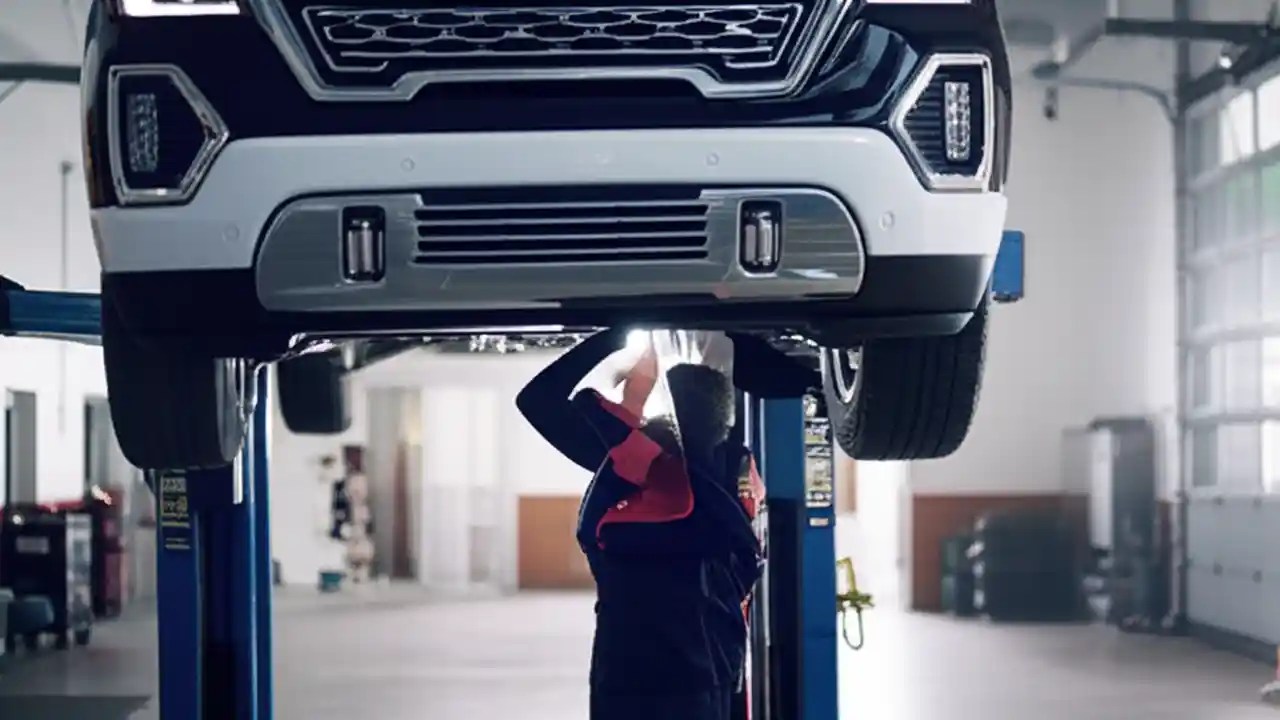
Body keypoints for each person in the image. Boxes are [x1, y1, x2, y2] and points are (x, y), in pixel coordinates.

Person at [516, 329, 808, 720]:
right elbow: (797, 381)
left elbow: (538, 400)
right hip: (704, 677)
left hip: (630, 680)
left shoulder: (634, 467)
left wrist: (612, 338)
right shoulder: (730, 481)